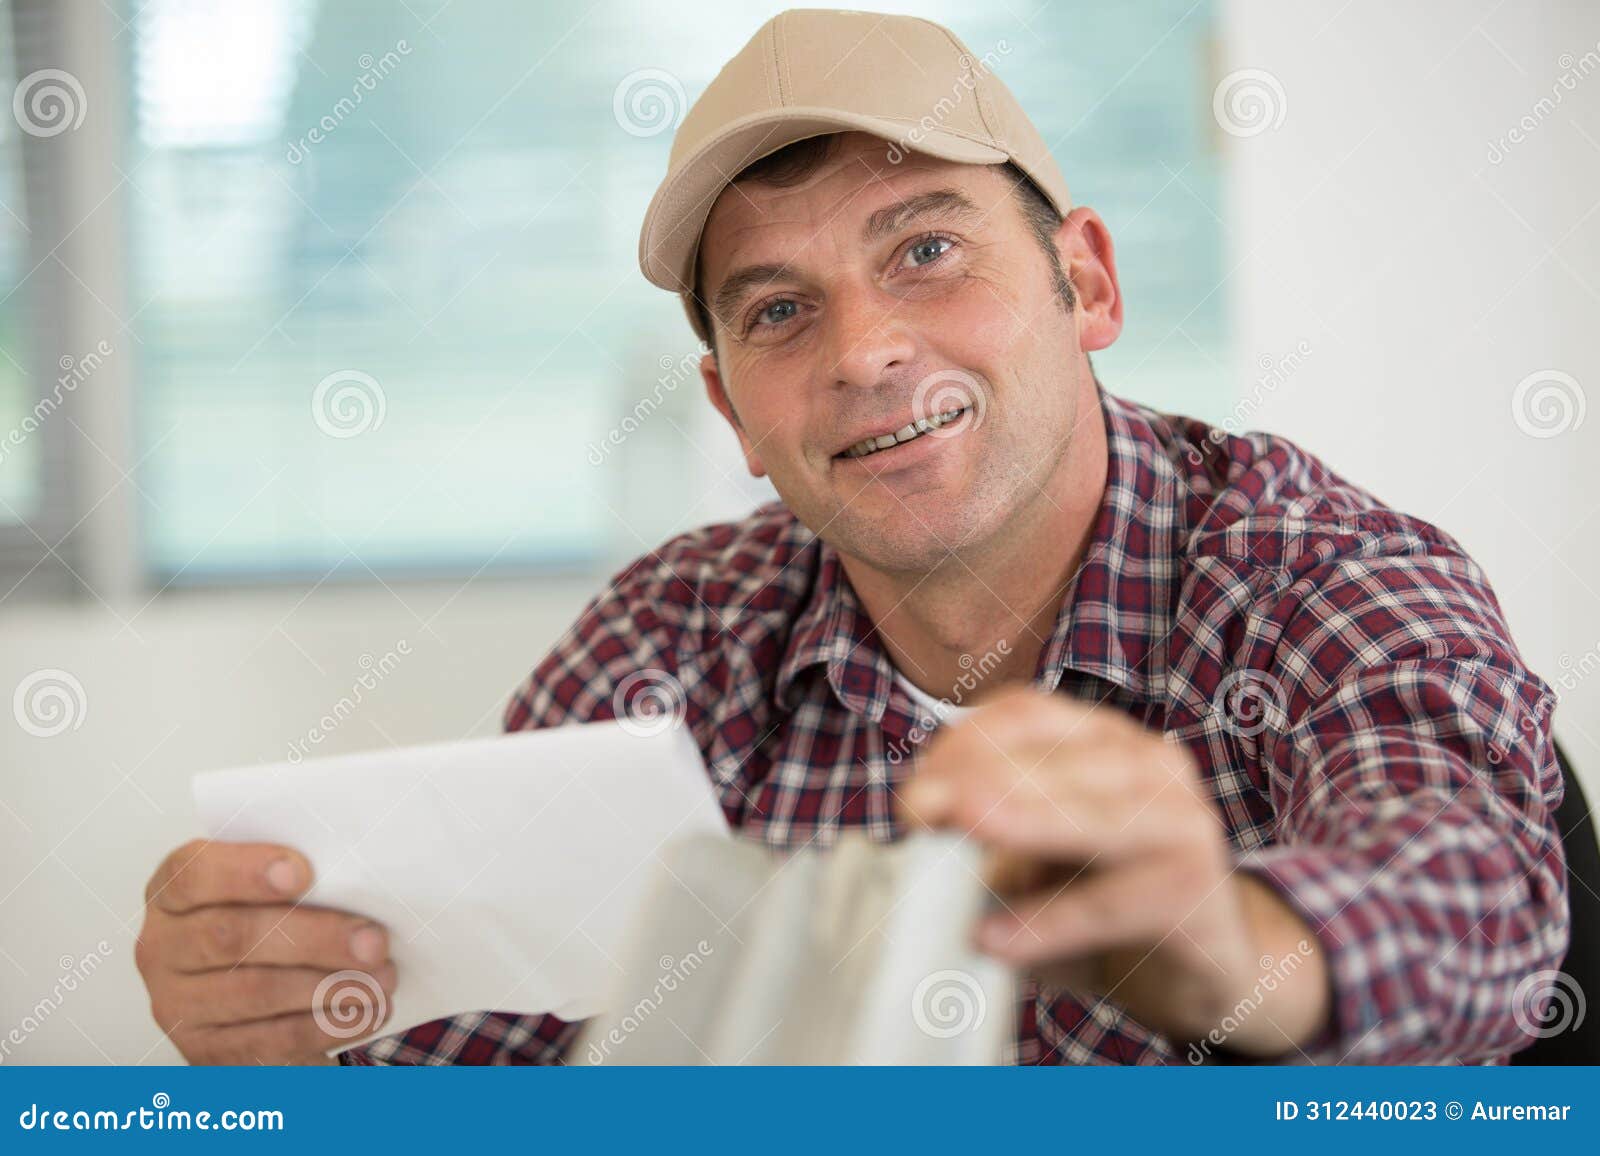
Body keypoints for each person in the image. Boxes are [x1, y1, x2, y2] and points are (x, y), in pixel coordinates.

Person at [136, 8, 1568, 1066]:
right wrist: (296, 1037)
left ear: (1089, 281)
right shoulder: (673, 638)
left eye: (927, 250)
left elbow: (1479, 900)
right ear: (734, 414)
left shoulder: (1316, 571)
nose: (866, 349)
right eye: (777, 309)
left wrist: (1231, 943)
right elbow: (489, 1055)